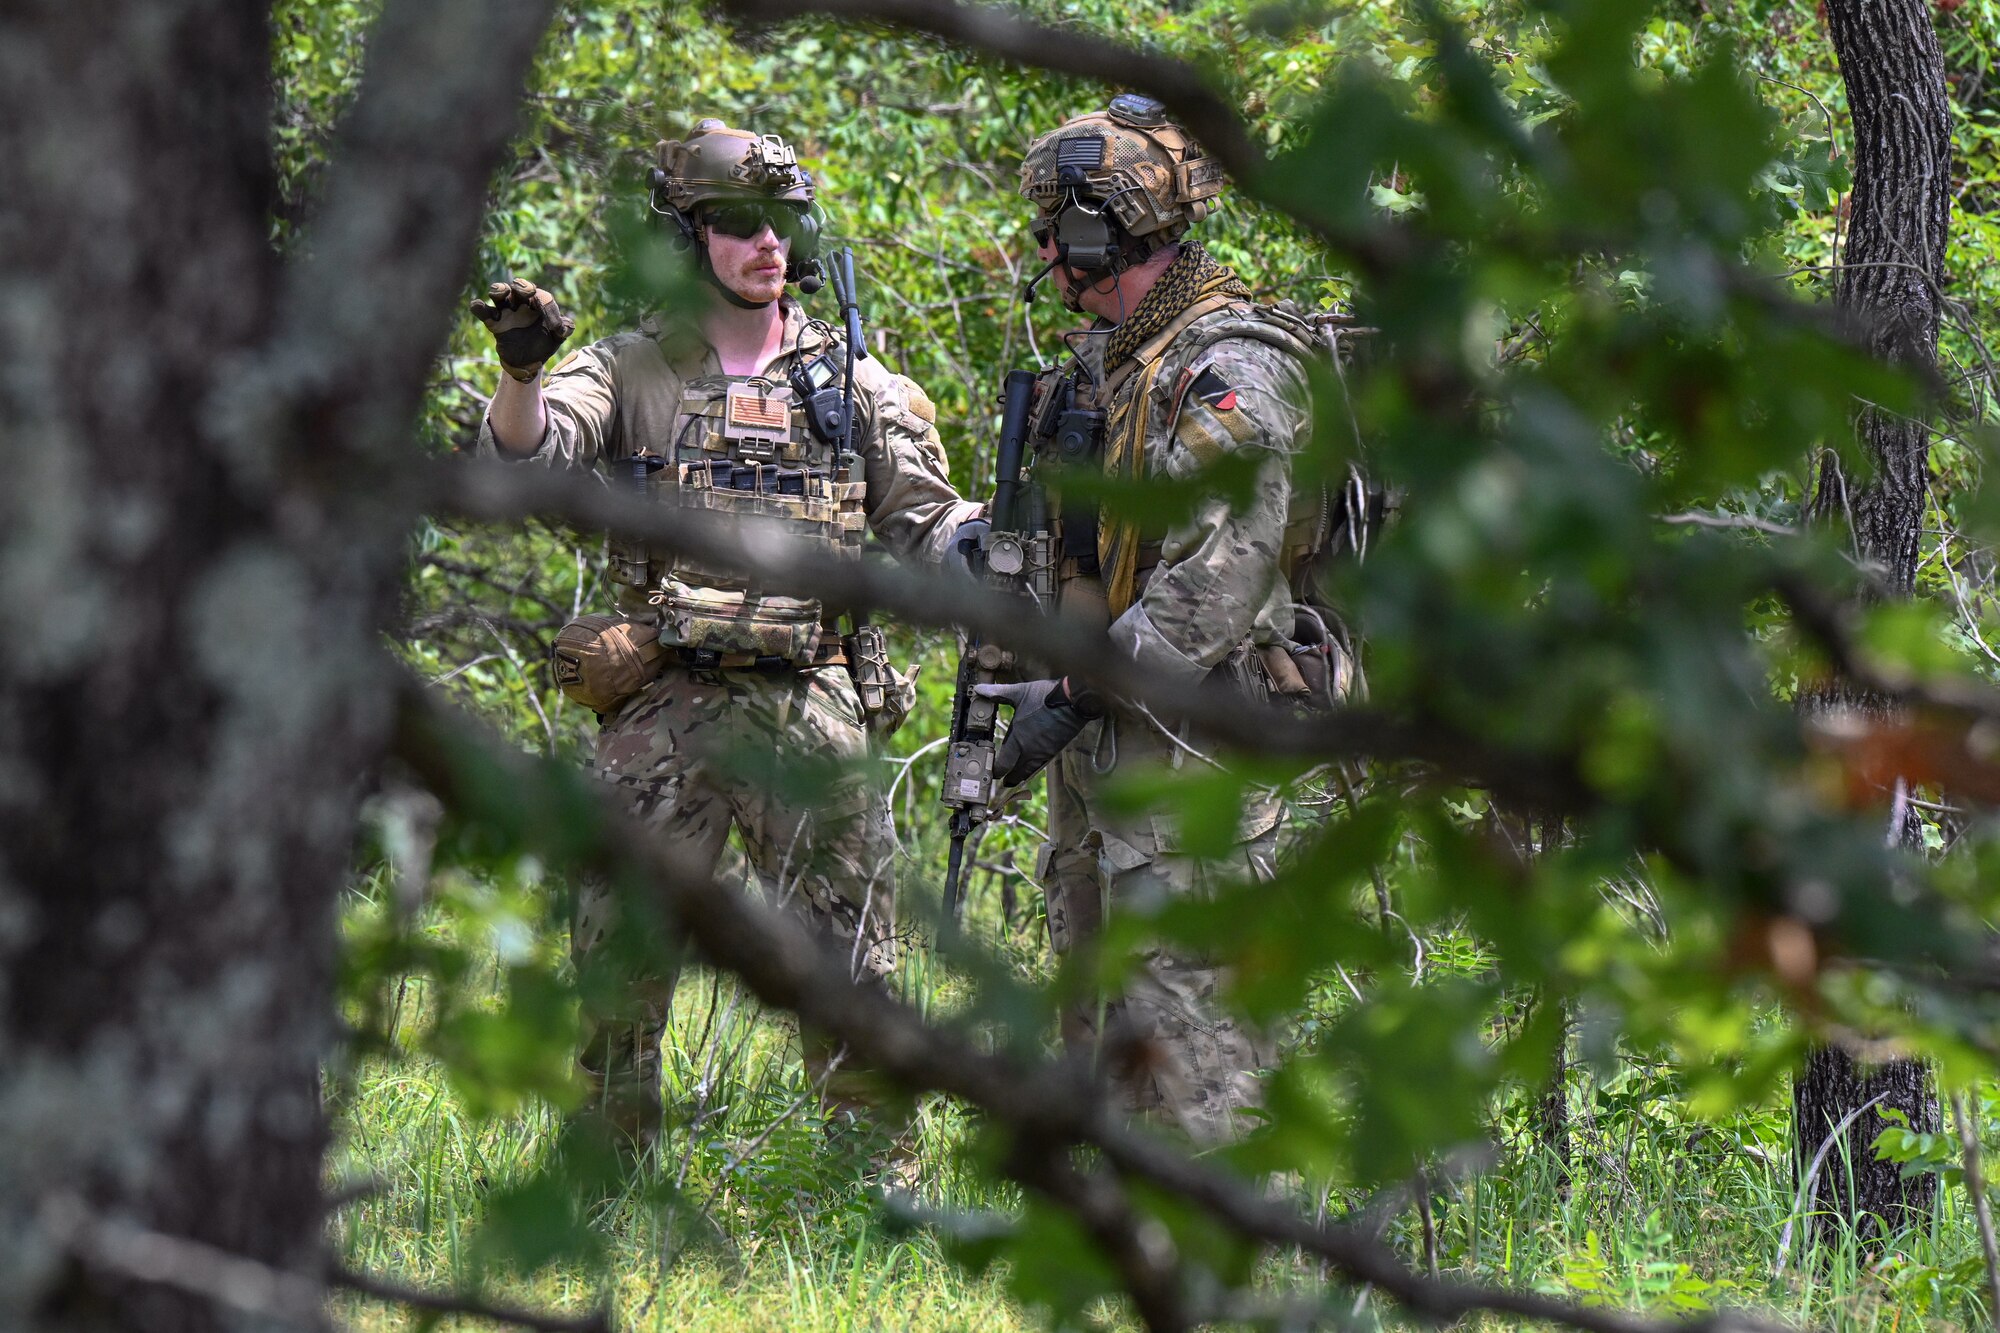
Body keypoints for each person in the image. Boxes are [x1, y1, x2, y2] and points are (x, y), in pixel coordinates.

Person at [471, 119, 984, 1150]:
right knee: (619, 955)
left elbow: (931, 520)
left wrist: (998, 540)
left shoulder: (850, 377)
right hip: (664, 704)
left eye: (781, 223)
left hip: (811, 700)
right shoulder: (631, 366)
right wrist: (521, 375)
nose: (767, 244)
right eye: (737, 224)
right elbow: (527, 459)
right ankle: (610, 1173)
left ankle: (868, 1182)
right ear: (685, 237)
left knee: (851, 965)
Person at [977, 95, 1331, 1146]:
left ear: (1101, 232)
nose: (1045, 251)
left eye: (1055, 228)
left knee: (1204, 1059)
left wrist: (1074, 690)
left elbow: (1216, 579)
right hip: (1105, 751)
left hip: (1190, 758)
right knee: (1102, 1050)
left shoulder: (1227, 366)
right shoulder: (1114, 361)